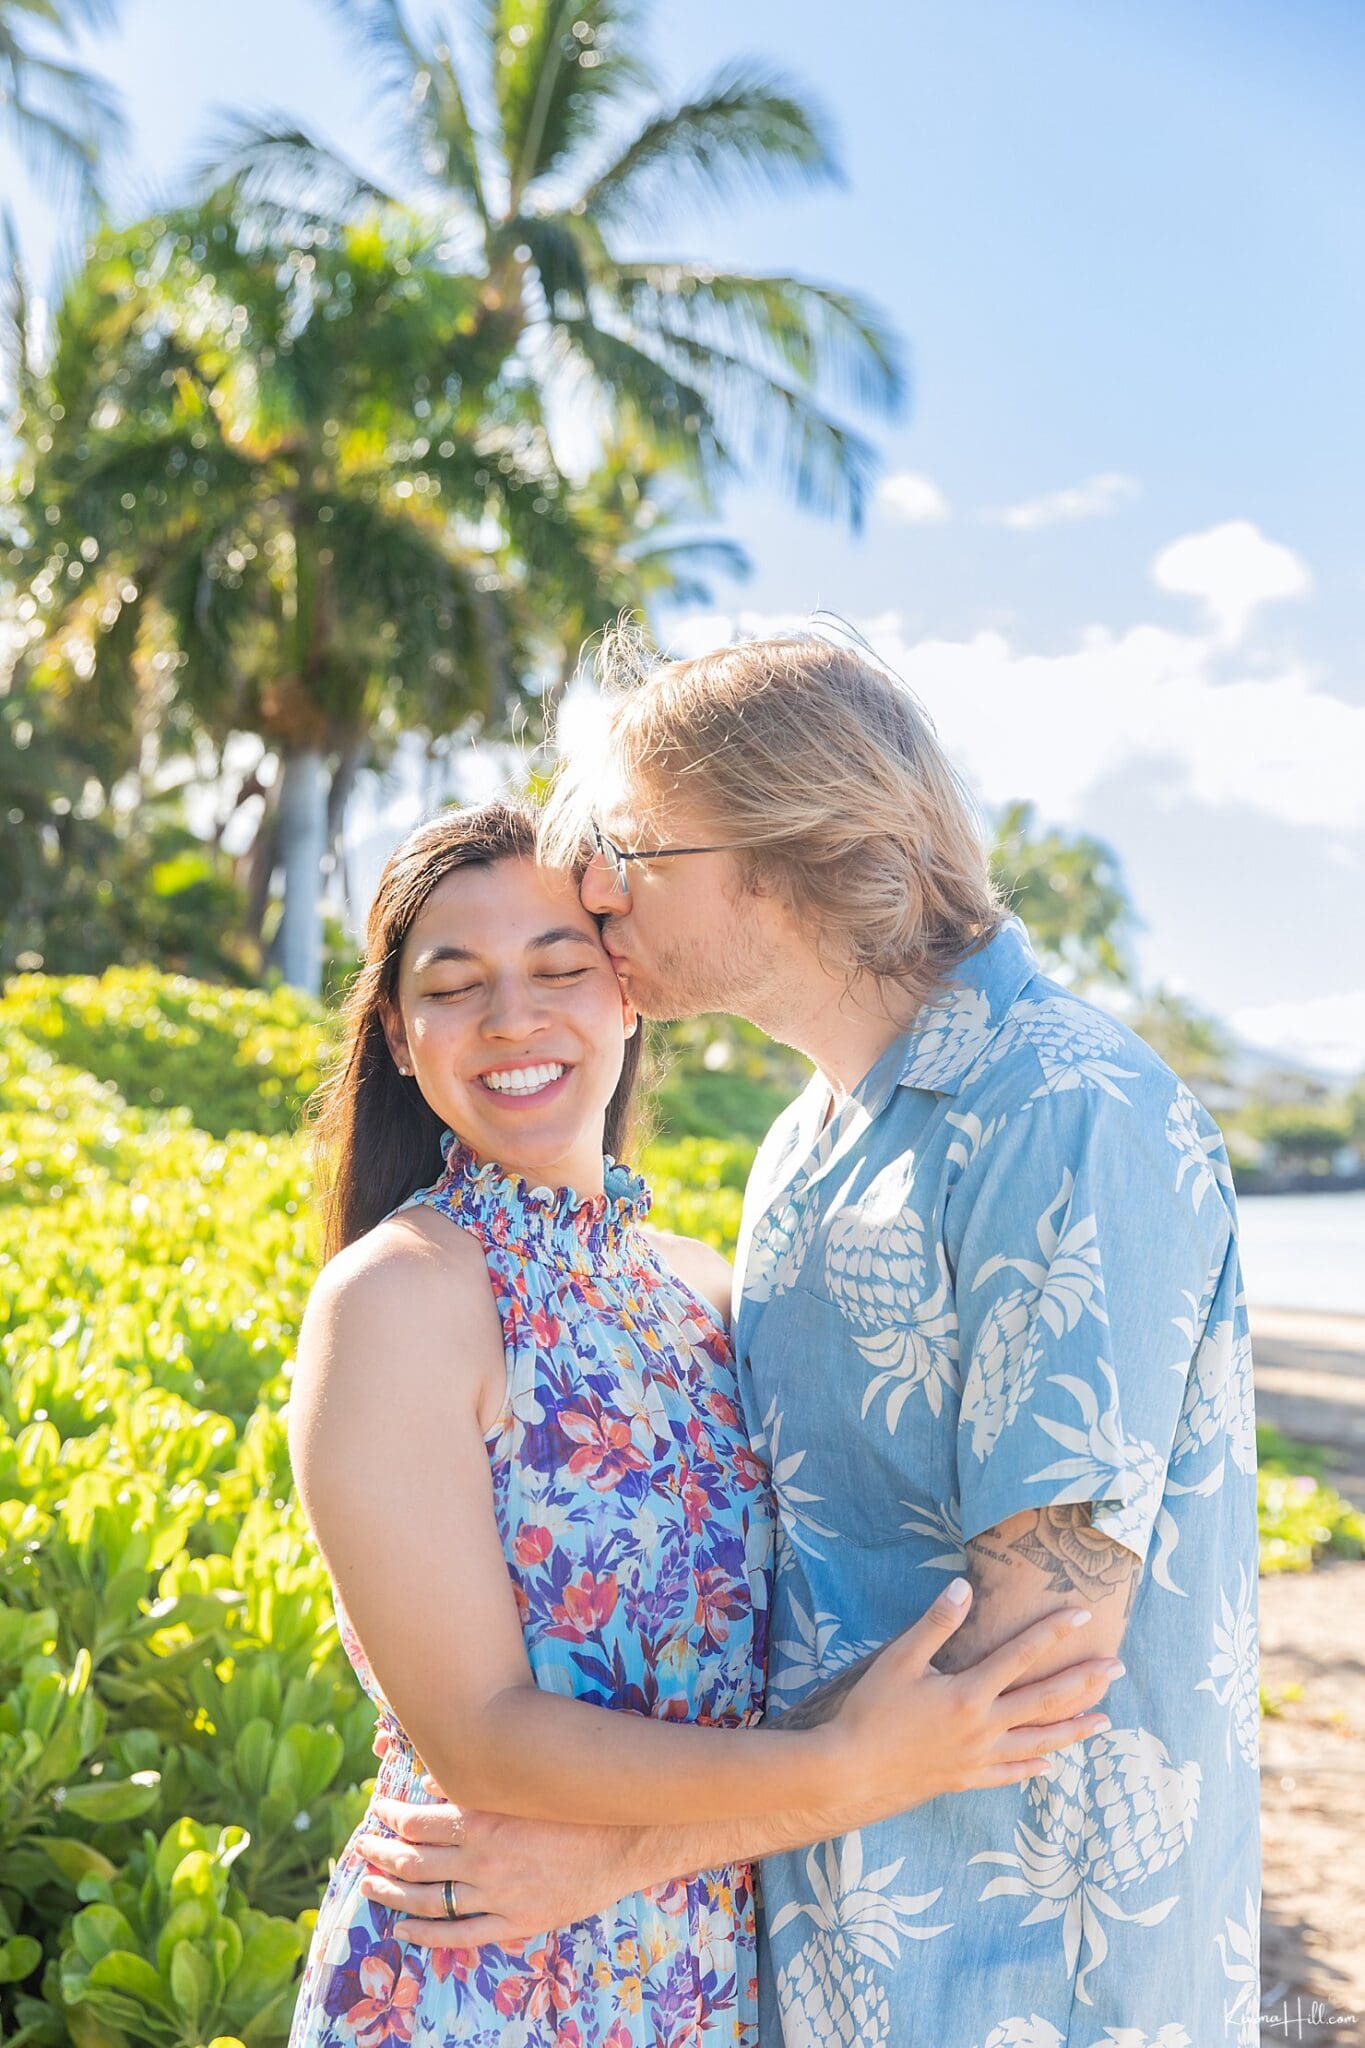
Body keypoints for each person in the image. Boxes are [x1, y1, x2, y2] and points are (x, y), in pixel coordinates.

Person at [361, 636, 1262, 2048]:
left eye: (628, 849)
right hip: (809, 1966)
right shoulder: (797, 1155)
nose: (594, 889)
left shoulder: (1065, 1111)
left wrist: (617, 1862)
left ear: (786, 846)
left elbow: (1035, 1651)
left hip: (1040, 1972)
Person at [286, 794, 1117, 2048]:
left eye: (560, 966)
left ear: (627, 993)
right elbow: (484, 1737)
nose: (513, 1018)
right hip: (481, 1970)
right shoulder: (398, 1298)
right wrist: (853, 1766)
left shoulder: (708, 1291)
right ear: (400, 1037)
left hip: (706, 1966)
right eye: (454, 987)